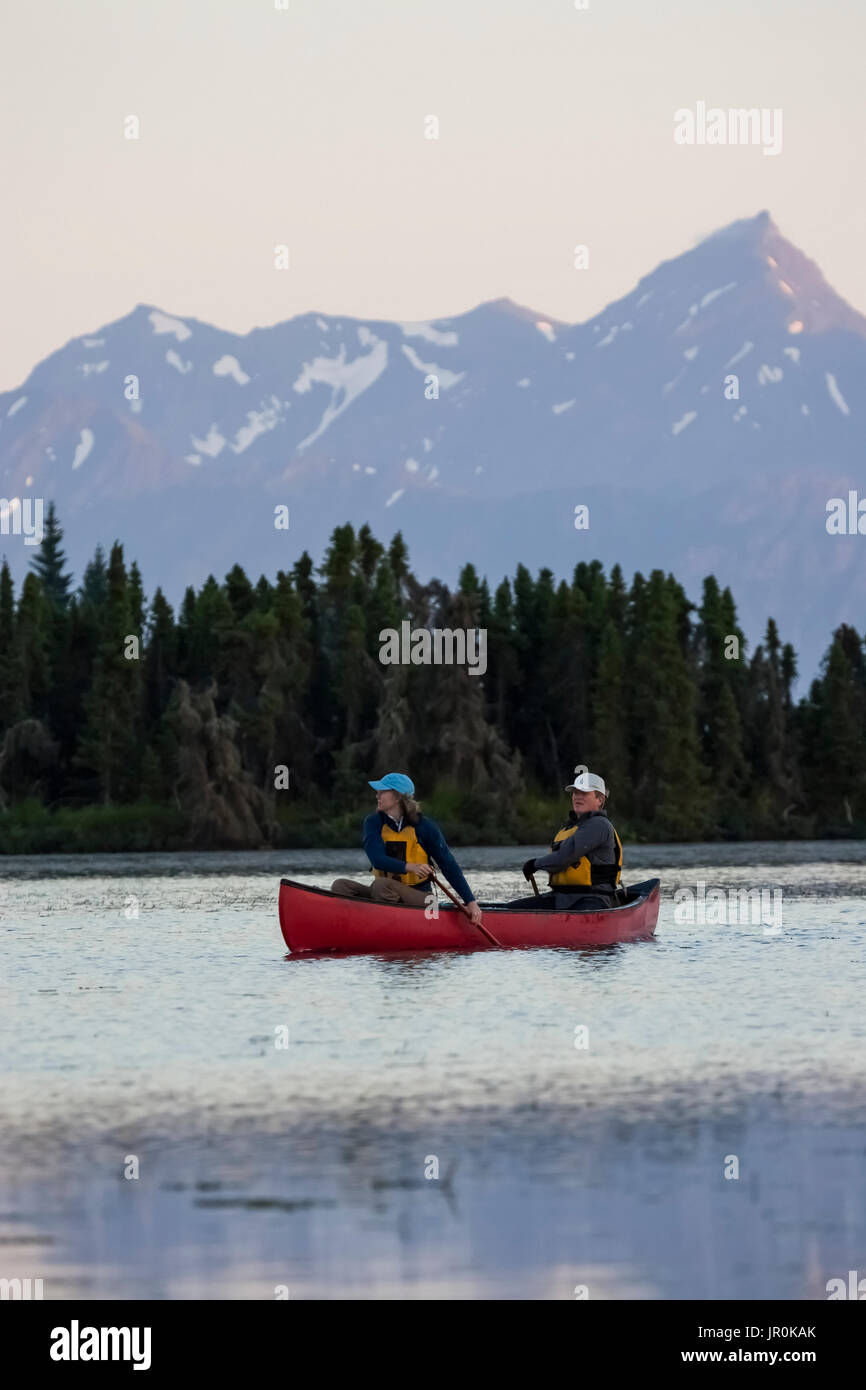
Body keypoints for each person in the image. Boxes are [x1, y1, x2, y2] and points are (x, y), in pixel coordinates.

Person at [331, 773, 484, 925]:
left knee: (381, 885)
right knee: (341, 885)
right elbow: (377, 860)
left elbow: (449, 866)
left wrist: (470, 902)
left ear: (398, 797)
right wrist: (411, 867)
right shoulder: (373, 822)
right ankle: (354, 925)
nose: (377, 795)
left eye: (383, 791)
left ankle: (388, 926)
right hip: (385, 892)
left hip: (422, 898)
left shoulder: (425, 827)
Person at [512, 769, 623, 910]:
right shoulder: (571, 827)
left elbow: (563, 858)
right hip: (562, 898)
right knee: (509, 908)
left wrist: (534, 864)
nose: (577, 797)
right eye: (575, 793)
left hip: (592, 899)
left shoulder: (598, 825)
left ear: (599, 800)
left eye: (584, 793)